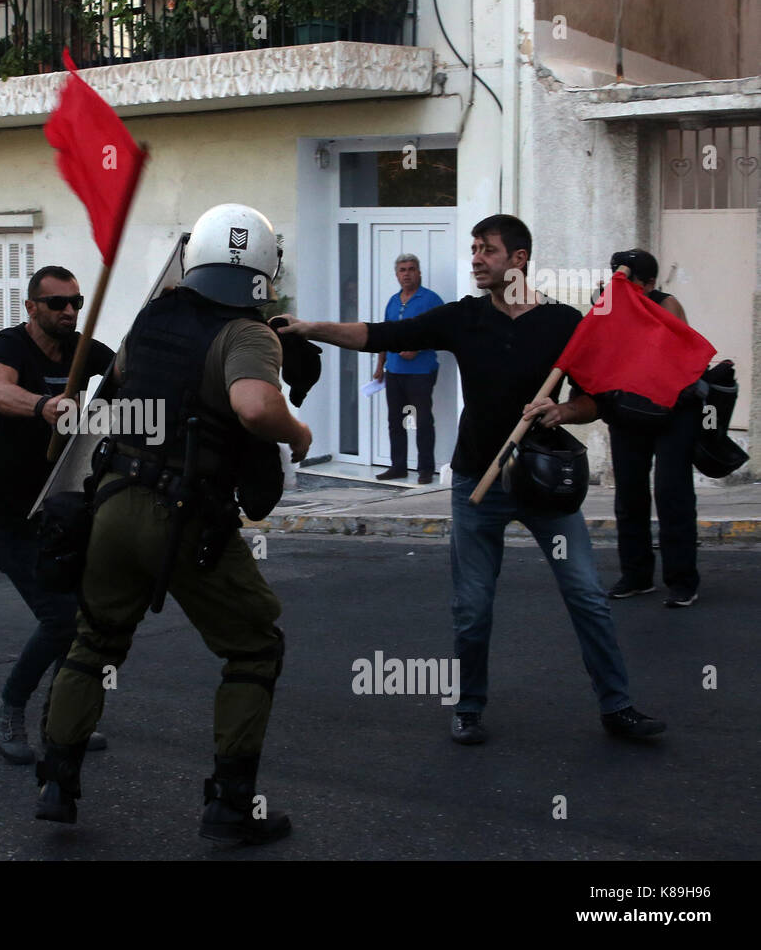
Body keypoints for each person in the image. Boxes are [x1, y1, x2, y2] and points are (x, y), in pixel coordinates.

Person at [278, 214, 666, 745]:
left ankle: (616, 706)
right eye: (474, 249)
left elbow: (596, 399)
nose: (476, 259)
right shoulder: (462, 318)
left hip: (542, 483)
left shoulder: (563, 323)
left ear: (519, 259)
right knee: (473, 605)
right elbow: (379, 335)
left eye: (487, 249)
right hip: (476, 483)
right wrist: (308, 328)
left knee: (586, 595)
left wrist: (561, 411)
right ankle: (468, 705)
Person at [35, 205, 311, 844]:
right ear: (265, 268)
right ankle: (230, 806)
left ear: (196, 258)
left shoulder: (153, 317)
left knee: (96, 639)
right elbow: (254, 405)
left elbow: (113, 394)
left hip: (111, 501)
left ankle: (57, 782)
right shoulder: (248, 334)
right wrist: (298, 432)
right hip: (183, 513)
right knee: (253, 645)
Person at [0, 265, 115, 764]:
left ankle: (64, 719)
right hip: (6, 515)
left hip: (60, 510)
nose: (69, 311)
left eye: (75, 302)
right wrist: (44, 407)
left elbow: (127, 373)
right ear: (32, 307)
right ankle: (7, 708)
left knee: (87, 616)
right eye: (57, 304)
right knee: (60, 618)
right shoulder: (9, 346)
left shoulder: (83, 350)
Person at [605, 249, 701, 608]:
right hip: (628, 408)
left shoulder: (667, 304)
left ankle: (682, 580)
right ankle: (636, 575)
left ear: (648, 284)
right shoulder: (607, 304)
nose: (622, 287)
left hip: (674, 409)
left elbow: (671, 352)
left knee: (671, 493)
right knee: (629, 495)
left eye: (629, 281)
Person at [373, 253, 443, 483]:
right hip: (394, 372)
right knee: (396, 421)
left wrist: (418, 349)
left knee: (422, 421)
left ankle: (425, 469)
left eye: (411, 269)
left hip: (421, 373)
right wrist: (380, 365)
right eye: (402, 270)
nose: (407, 273)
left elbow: (442, 333)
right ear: (396, 275)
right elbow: (385, 334)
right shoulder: (393, 301)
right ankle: (398, 466)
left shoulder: (431, 300)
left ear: (419, 272)